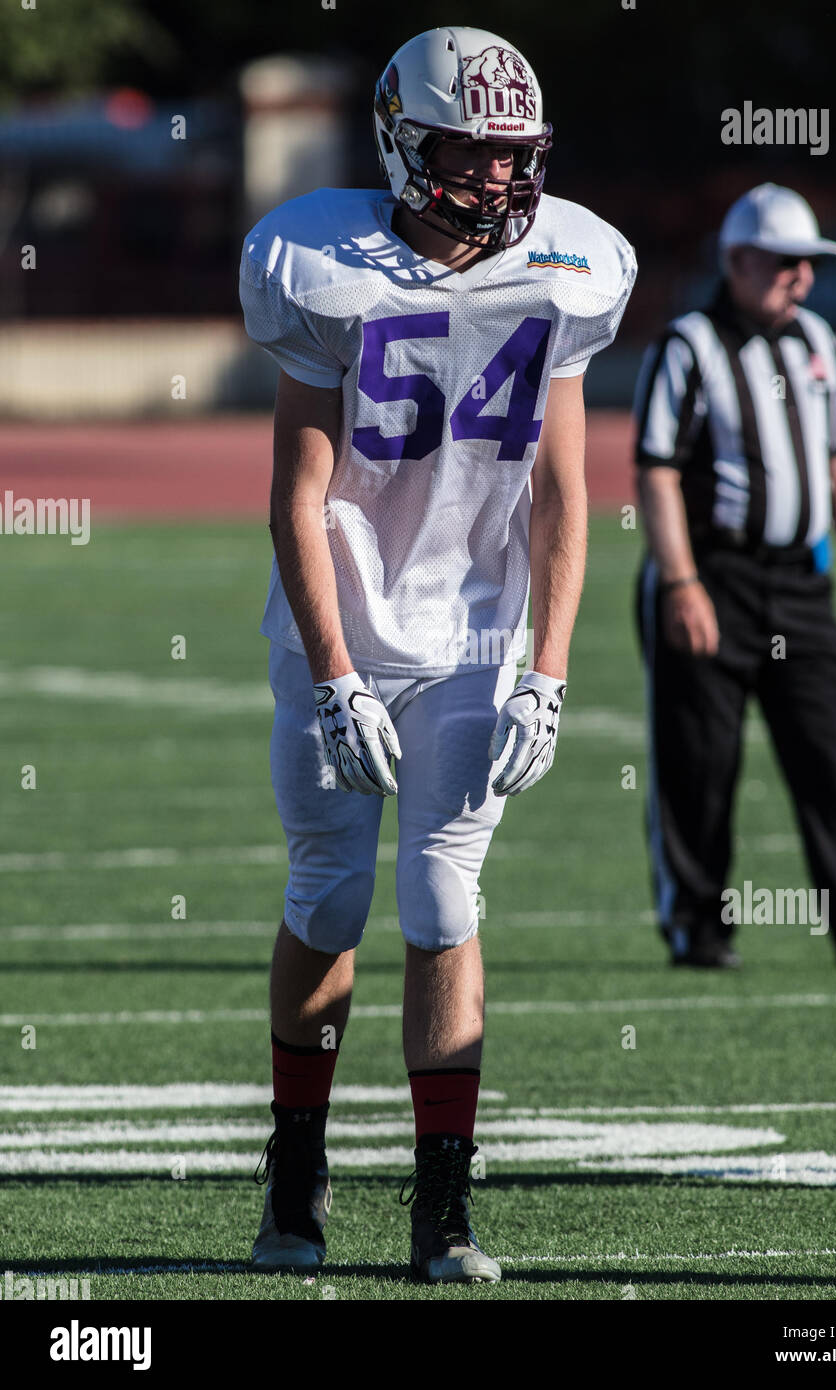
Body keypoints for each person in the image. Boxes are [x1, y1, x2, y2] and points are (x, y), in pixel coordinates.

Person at [239, 25, 636, 1282]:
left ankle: (443, 1214)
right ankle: (295, 1189)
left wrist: (550, 668)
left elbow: (568, 497)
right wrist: (337, 670)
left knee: (445, 899)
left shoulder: (571, 263)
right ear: (405, 145)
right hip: (343, 625)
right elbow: (298, 497)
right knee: (328, 894)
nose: (500, 181)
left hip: (474, 630)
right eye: (472, 154)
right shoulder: (319, 261)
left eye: (516, 155)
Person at [633, 183, 836, 970]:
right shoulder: (689, 344)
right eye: (785, 263)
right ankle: (697, 931)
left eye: (809, 264)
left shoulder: (816, 342)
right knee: (700, 762)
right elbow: (656, 471)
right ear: (737, 261)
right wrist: (681, 583)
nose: (801, 278)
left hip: (800, 586)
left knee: (835, 759)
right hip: (714, 574)